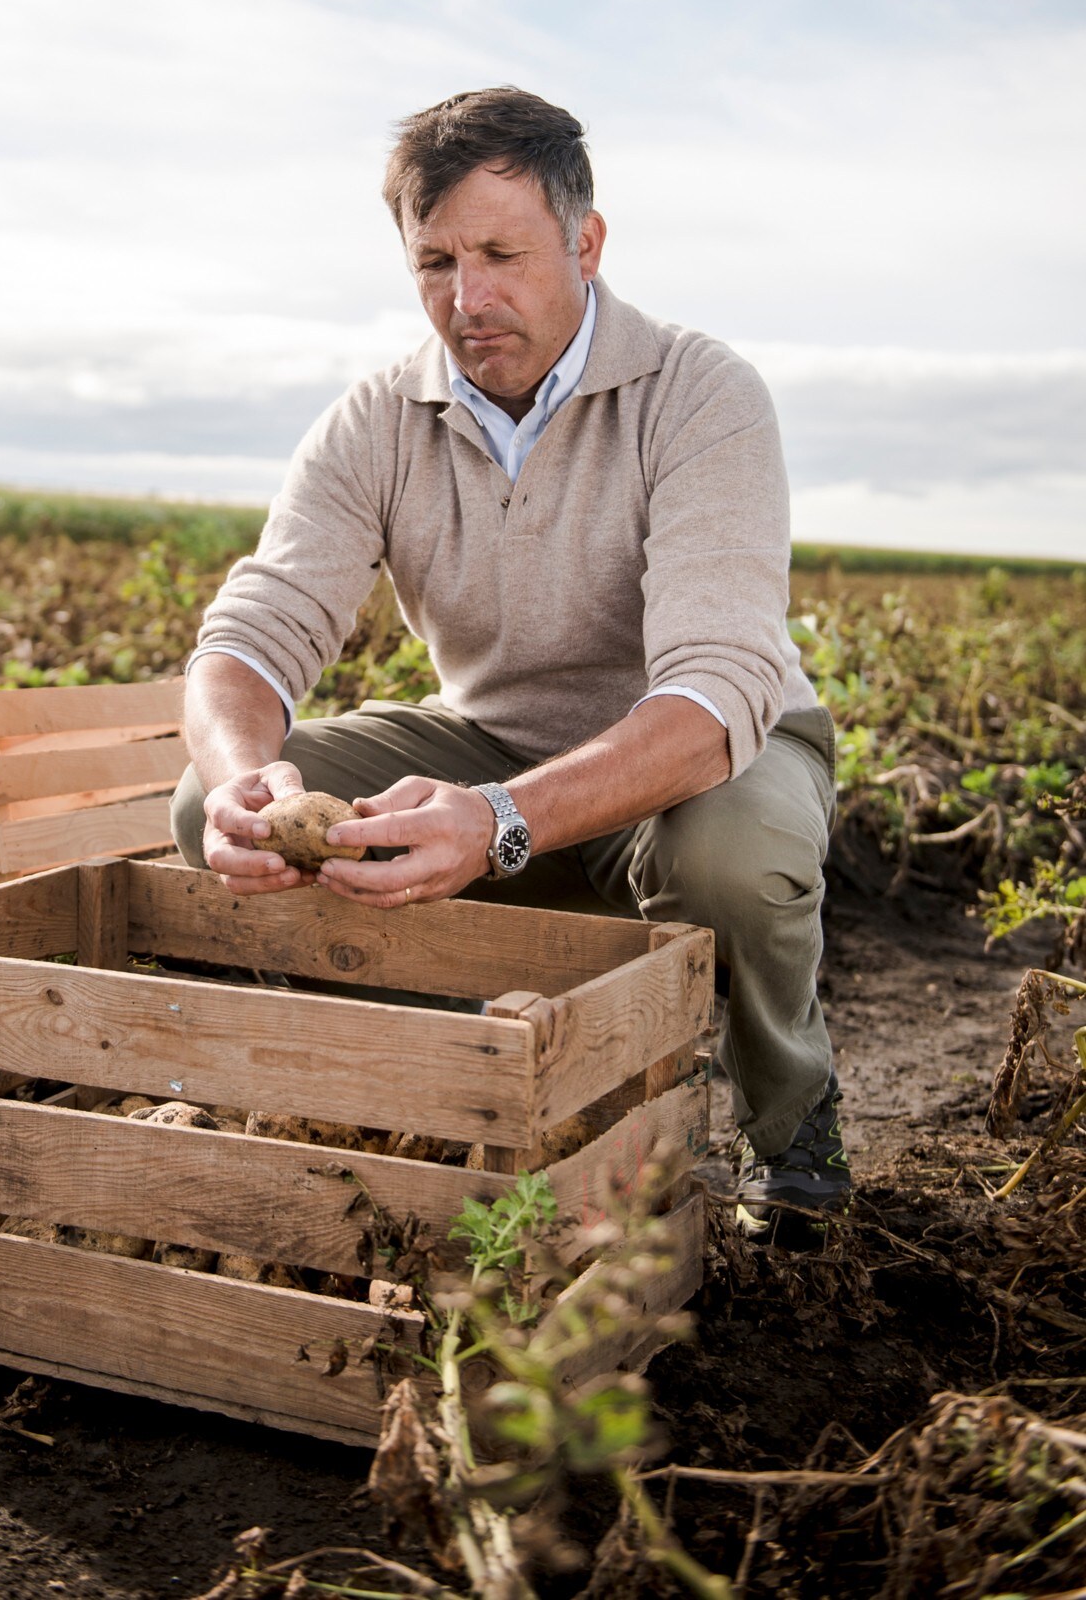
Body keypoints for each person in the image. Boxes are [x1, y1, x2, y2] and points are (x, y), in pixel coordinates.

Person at [171, 86, 847, 1234]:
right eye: (434, 260)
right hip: (494, 739)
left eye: (500, 252)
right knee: (205, 810)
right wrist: (245, 769)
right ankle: (441, 1091)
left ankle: (794, 1130)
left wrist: (497, 819)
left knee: (732, 858)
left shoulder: (700, 395)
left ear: (585, 243)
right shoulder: (377, 421)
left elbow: (712, 692)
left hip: (710, 751)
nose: (467, 299)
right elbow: (252, 630)